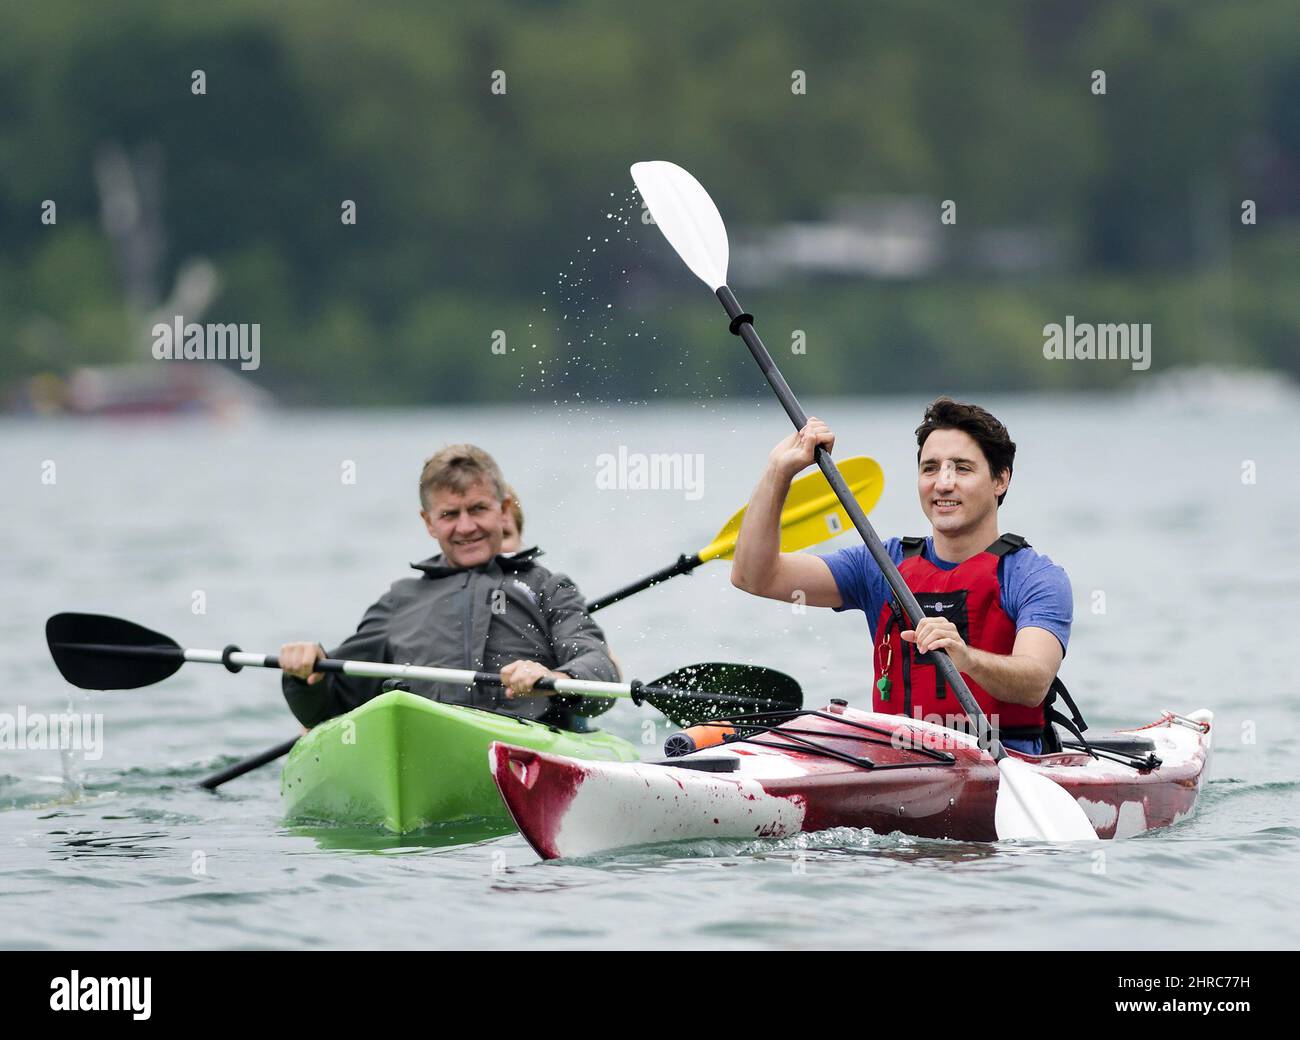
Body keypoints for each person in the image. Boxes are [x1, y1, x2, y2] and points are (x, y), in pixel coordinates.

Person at [730, 397, 1074, 754]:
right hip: (897, 762)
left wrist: (967, 658)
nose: (943, 483)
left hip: (1007, 762)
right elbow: (755, 576)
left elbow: (1034, 681)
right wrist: (778, 471)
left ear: (1000, 480)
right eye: (930, 468)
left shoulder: (1034, 576)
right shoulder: (881, 564)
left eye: (962, 468)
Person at [279, 445, 617, 729]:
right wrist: (308, 673)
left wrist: (555, 678)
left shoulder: (547, 587)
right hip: (425, 749)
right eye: (449, 515)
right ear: (428, 523)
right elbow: (328, 709)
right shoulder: (399, 602)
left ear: (503, 511)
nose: (466, 526)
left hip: (529, 746)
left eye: (478, 509)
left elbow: (597, 666)